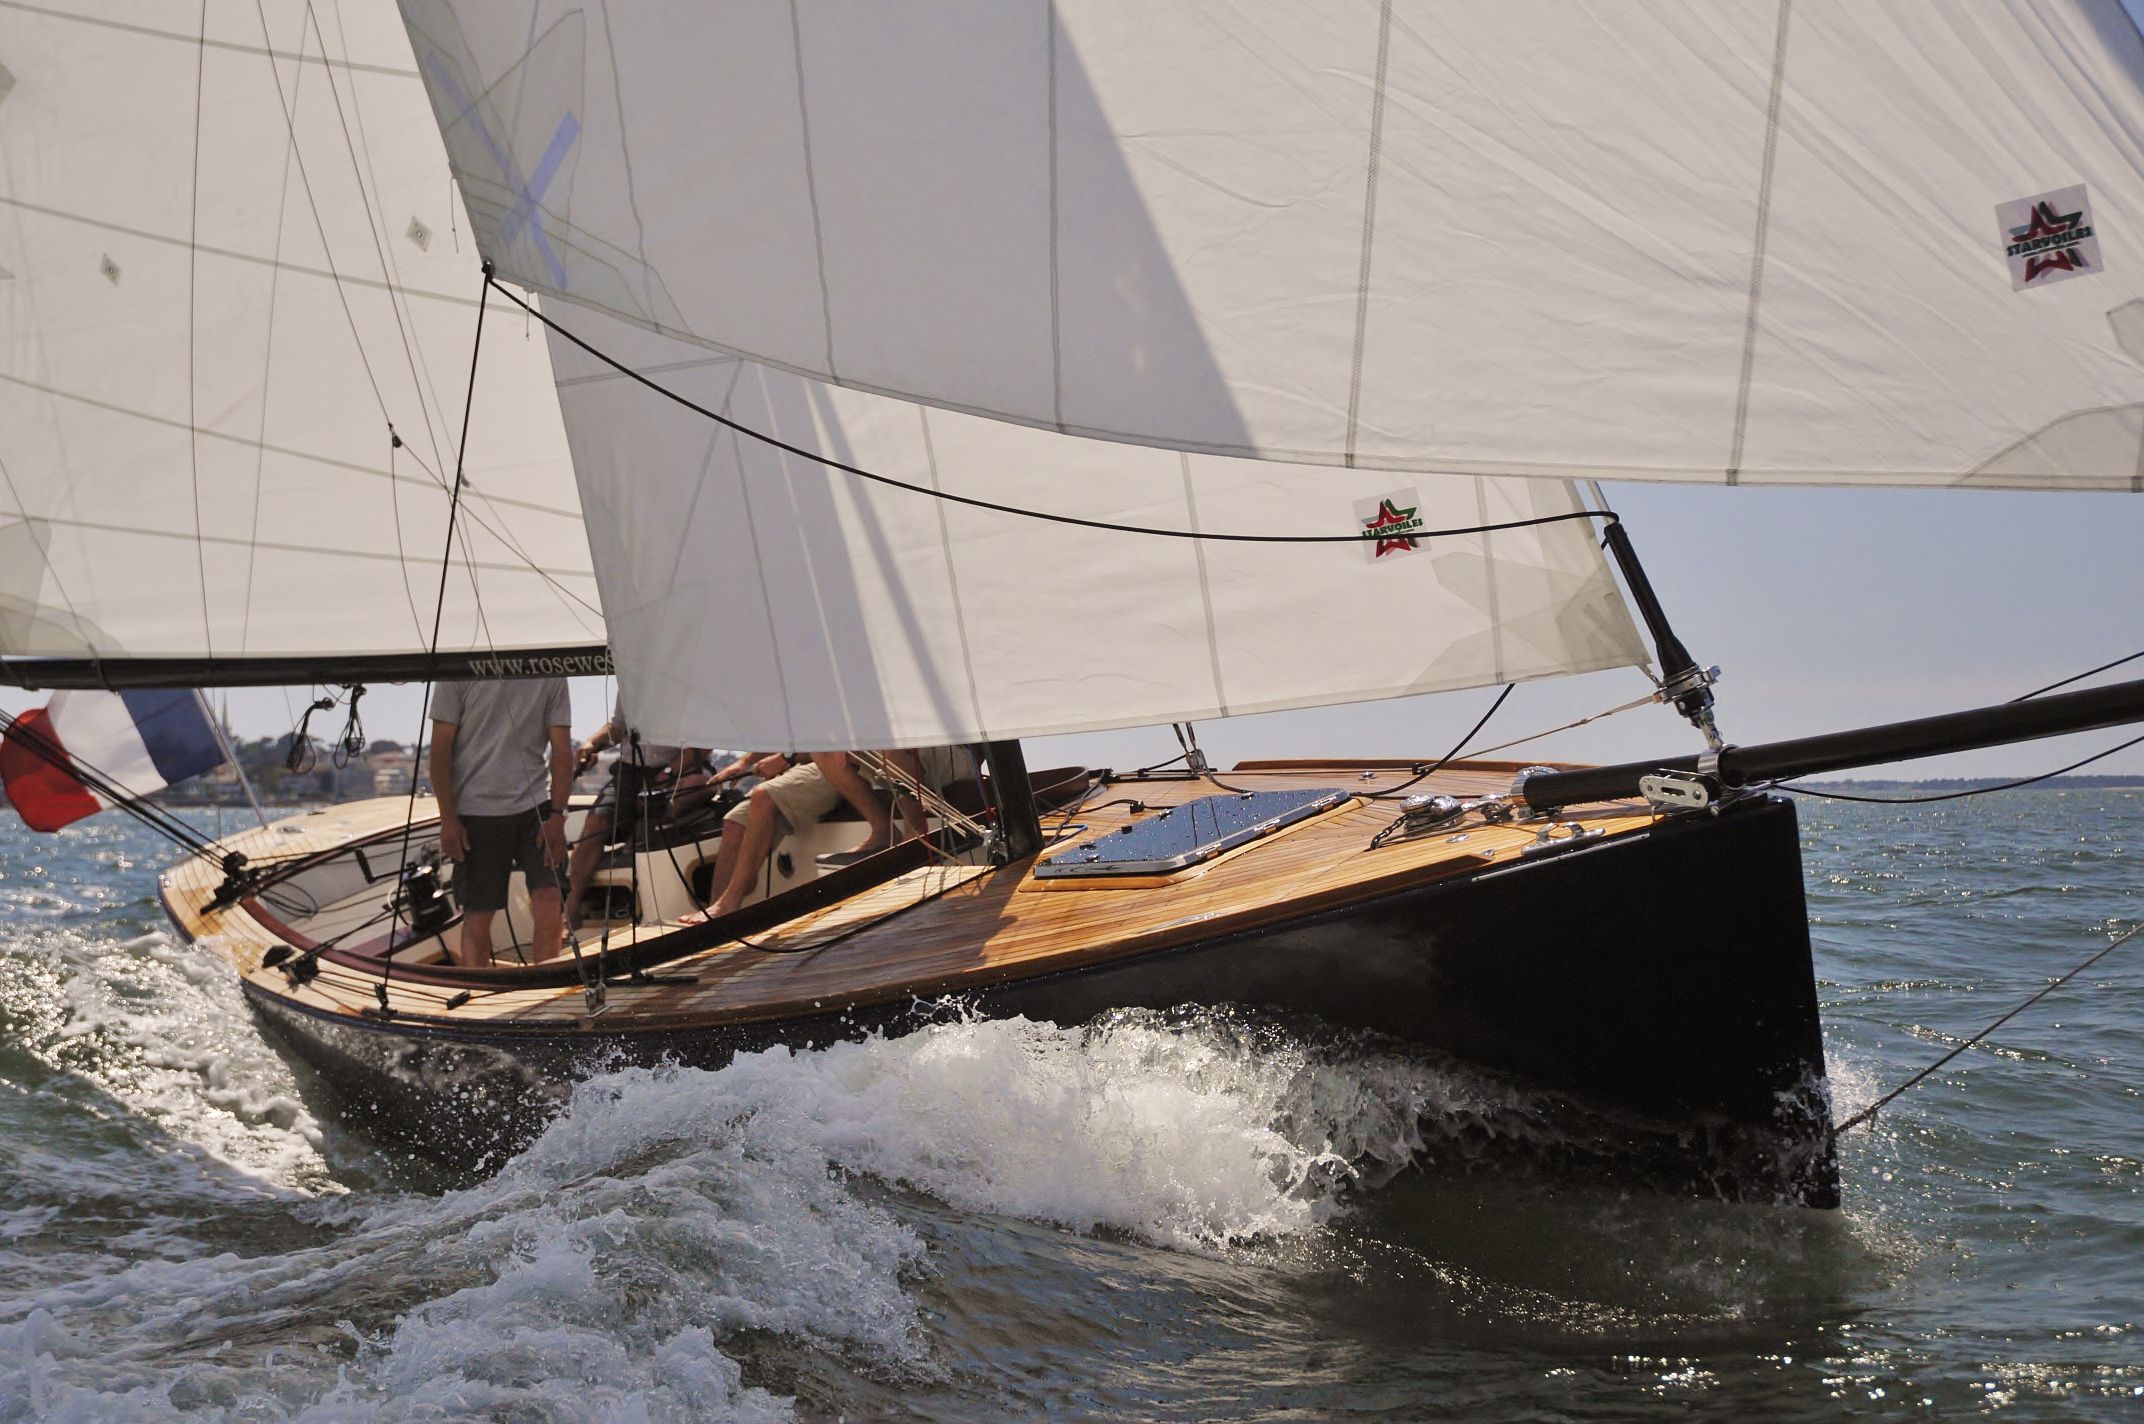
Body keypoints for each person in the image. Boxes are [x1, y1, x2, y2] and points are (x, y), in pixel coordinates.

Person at [430, 676, 573, 968]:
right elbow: (439, 750)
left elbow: (562, 750)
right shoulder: (457, 669)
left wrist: (558, 816)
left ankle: (545, 986)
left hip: (535, 807)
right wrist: (448, 819)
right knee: (479, 913)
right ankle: (479, 991)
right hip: (476, 811)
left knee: (550, 895)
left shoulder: (552, 669)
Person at [564, 696, 702, 927]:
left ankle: (654, 910)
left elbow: (702, 745)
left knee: (657, 811)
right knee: (596, 823)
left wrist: (668, 773)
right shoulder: (629, 681)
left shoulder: (690, 684)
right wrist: (591, 742)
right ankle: (570, 912)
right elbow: (617, 728)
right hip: (629, 772)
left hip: (678, 771)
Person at [815, 744, 979, 866]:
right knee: (823, 752)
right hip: (894, 756)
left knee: (891, 743)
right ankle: (883, 831)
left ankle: (916, 835)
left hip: (951, 751)